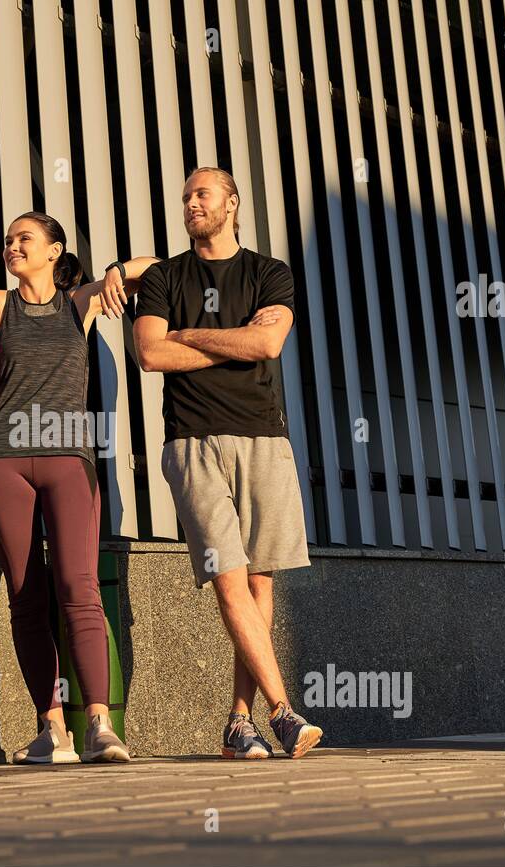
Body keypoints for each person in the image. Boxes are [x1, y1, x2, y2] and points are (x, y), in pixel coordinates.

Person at [0, 211, 157, 764]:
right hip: (4, 463)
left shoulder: (78, 303)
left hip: (68, 460)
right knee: (25, 595)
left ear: (54, 251)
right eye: (7, 240)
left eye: (24, 239)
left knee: (77, 588)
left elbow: (156, 267)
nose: (11, 246)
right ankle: (50, 729)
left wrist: (112, 272)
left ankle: (101, 725)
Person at [130, 167, 323, 760]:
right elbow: (149, 353)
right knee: (229, 577)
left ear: (232, 204)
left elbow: (266, 345)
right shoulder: (164, 276)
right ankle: (283, 711)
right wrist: (227, 336)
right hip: (192, 442)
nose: (191, 203)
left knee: (259, 578)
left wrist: (190, 334)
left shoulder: (269, 273)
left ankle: (239, 722)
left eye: (202, 194)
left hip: (263, 437)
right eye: (185, 195)